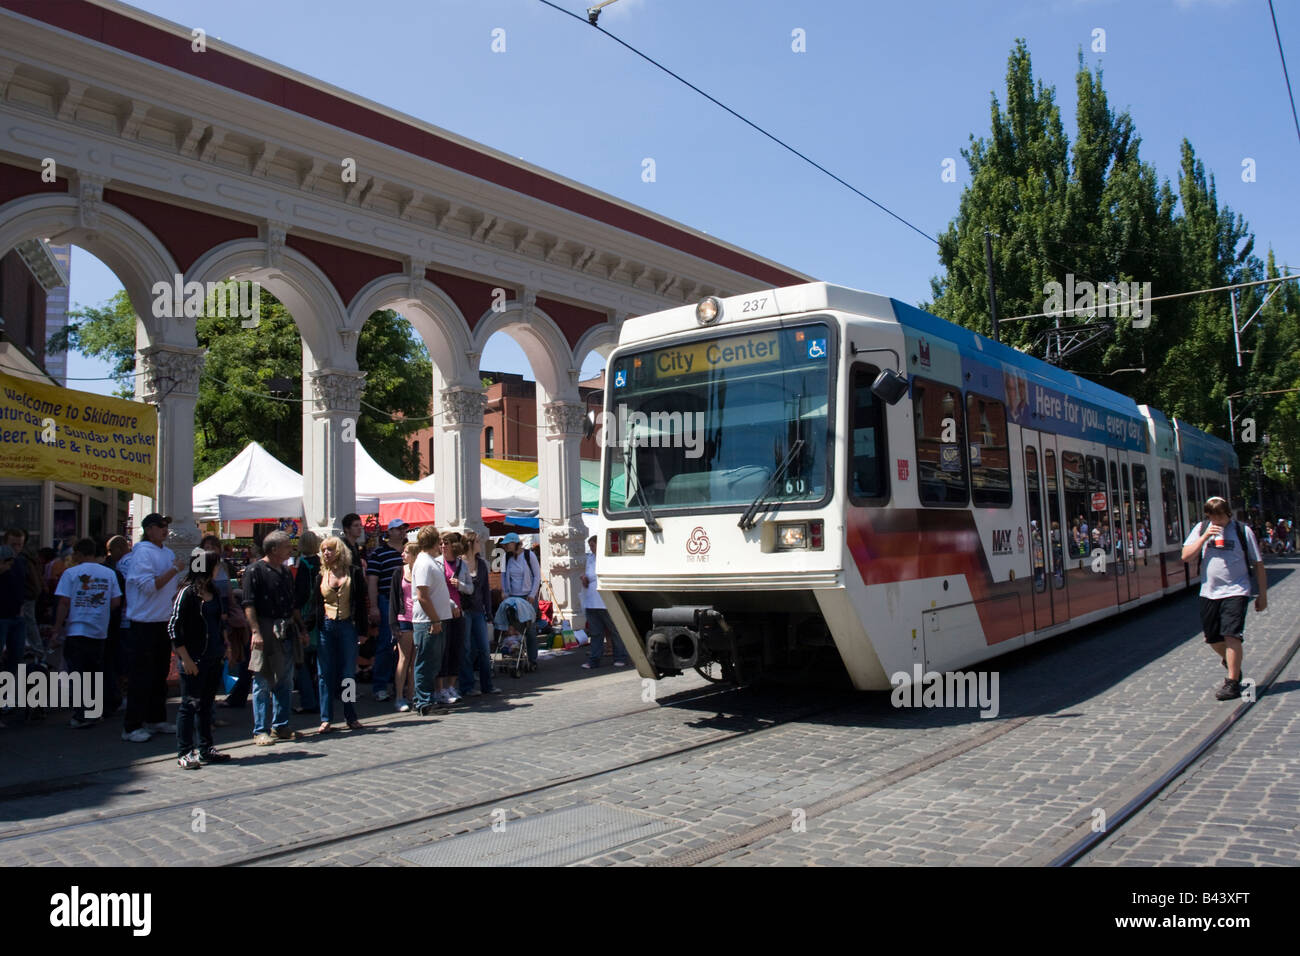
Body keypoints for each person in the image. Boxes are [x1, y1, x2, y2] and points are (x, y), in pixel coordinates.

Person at [1180, 497, 1268, 701]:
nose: (1218, 521)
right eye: (1214, 517)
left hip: (1237, 590)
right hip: (1208, 592)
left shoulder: (1242, 531)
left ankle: (1232, 683)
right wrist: (1203, 539)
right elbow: (1185, 556)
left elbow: (1259, 564)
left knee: (1232, 635)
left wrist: (1262, 595)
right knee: (1212, 638)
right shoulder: (1201, 529)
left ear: (1228, 514)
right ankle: (1232, 665)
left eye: (1222, 516)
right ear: (1208, 516)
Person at [123, 514, 187, 742]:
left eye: (167, 525)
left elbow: (169, 586)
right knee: (141, 676)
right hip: (143, 624)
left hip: (163, 622)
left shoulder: (167, 553)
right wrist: (174, 569)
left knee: (159, 675)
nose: (165, 529)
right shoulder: (142, 553)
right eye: (161, 526)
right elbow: (149, 587)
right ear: (149, 529)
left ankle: (155, 718)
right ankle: (132, 726)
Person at [168, 550, 233, 768]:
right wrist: (185, 658)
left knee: (206, 704)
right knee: (189, 704)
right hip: (193, 658)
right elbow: (174, 628)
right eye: (216, 565)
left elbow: (218, 622)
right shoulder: (187, 593)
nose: (219, 569)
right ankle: (185, 751)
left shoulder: (213, 590)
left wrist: (225, 645)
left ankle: (206, 748)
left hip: (213, 656)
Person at [241, 530, 305, 744]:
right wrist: (256, 631)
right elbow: (248, 604)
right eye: (287, 546)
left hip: (286, 628)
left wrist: (301, 628)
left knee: (285, 679)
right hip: (266, 627)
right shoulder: (254, 571)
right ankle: (260, 729)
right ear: (274, 549)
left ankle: (281, 725)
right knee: (262, 678)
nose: (291, 549)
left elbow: (293, 604)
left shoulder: (286, 572)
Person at [52, 538, 121, 728]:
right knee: (94, 672)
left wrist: (57, 628)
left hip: (76, 628)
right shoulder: (109, 573)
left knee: (77, 673)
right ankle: (94, 711)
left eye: (75, 553)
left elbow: (64, 603)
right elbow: (116, 602)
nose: (73, 557)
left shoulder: (70, 573)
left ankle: (81, 714)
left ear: (80, 554)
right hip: (99, 629)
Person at [315, 535, 364, 733]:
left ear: (340, 551)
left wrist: (363, 630)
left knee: (348, 673)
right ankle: (326, 718)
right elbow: (316, 603)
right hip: (326, 626)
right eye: (324, 549)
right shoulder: (320, 575)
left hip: (348, 626)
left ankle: (350, 715)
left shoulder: (354, 572)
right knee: (324, 673)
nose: (326, 553)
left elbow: (361, 603)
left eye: (330, 549)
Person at [411, 524, 450, 716]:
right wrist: (434, 620)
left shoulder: (430, 561)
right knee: (425, 662)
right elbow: (422, 595)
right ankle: (423, 701)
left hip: (434, 619)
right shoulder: (425, 563)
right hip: (427, 621)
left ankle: (428, 698)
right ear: (435, 542)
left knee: (433, 662)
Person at [365, 519, 407, 701]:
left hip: (407, 602)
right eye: (398, 529)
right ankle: (380, 685)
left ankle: (401, 683)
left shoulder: (409, 551)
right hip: (387, 600)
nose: (402, 532)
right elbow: (372, 581)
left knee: (405, 645)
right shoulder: (379, 554)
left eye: (404, 529)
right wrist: (373, 606)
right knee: (385, 643)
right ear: (389, 532)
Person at [457, 531, 499, 697]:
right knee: (466, 649)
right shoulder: (460, 563)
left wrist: (488, 611)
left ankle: (487, 685)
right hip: (464, 611)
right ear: (469, 544)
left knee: (484, 647)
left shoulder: (481, 564)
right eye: (477, 542)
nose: (480, 544)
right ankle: (467, 686)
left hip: (478, 611)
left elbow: (485, 590)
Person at [580, 528, 628, 669]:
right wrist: (584, 578)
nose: (591, 548)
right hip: (591, 600)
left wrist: (588, 577)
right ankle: (594, 659)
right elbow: (588, 574)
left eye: (593, 545)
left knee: (614, 631)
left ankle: (620, 656)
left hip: (605, 600)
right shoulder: (590, 558)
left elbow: (601, 574)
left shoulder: (608, 558)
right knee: (596, 633)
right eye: (590, 545)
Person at [435, 532, 471, 704]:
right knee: (443, 650)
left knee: (456, 649)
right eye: (441, 543)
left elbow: (471, 588)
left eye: (446, 543)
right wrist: (451, 605)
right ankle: (440, 689)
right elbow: (436, 590)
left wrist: (461, 585)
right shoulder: (437, 564)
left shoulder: (462, 565)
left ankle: (451, 686)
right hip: (443, 612)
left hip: (459, 613)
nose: (443, 546)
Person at [500, 532, 541, 671]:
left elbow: (537, 576)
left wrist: (533, 594)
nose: (505, 546)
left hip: (528, 597)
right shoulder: (506, 558)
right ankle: (516, 656)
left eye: (508, 543)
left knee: (529, 629)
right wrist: (504, 592)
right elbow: (503, 576)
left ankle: (532, 659)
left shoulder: (530, 556)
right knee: (514, 628)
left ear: (516, 543)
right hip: (513, 597)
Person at [292, 531, 322, 715]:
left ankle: (309, 701)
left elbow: (300, 594)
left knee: (301, 662)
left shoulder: (303, 564)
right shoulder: (321, 562)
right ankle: (321, 698)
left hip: (305, 614)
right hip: (320, 613)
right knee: (318, 662)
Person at [389, 541, 420, 711]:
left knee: (415, 660)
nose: (403, 554)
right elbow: (393, 599)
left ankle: (411, 693)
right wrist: (393, 624)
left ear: (415, 555)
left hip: (419, 618)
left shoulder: (420, 571)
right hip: (404, 618)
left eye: (406, 552)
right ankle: (399, 696)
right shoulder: (399, 572)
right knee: (403, 658)